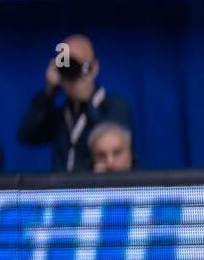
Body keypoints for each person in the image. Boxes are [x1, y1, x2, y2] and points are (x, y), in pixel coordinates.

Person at [16, 34, 133, 172]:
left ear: (93, 68)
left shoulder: (114, 106)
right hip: (61, 191)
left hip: (93, 190)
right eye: (65, 67)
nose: (72, 74)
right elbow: (26, 134)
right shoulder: (61, 115)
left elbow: (108, 142)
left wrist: (87, 100)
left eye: (76, 66)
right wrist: (49, 92)